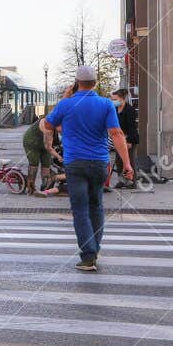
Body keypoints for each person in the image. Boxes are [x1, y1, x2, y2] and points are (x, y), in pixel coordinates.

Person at [43, 65, 134, 272]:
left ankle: (88, 256)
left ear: (77, 83)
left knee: (80, 210)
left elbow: (48, 125)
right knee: (96, 206)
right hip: (100, 163)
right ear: (95, 83)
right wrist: (127, 163)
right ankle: (95, 249)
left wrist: (65, 98)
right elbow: (117, 134)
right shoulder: (105, 104)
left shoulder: (67, 105)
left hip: (75, 163)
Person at [21, 117, 59, 195]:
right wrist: (59, 157)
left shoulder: (58, 125)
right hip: (32, 142)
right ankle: (31, 188)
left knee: (46, 164)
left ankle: (45, 188)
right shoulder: (48, 124)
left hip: (45, 143)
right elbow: (48, 147)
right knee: (34, 164)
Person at [111, 89, 139, 189]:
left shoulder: (130, 110)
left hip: (129, 138)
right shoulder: (114, 110)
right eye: (112, 99)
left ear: (122, 99)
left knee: (130, 161)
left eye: (115, 99)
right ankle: (122, 181)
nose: (113, 101)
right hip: (119, 138)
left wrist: (129, 141)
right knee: (119, 160)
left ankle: (132, 181)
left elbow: (132, 127)